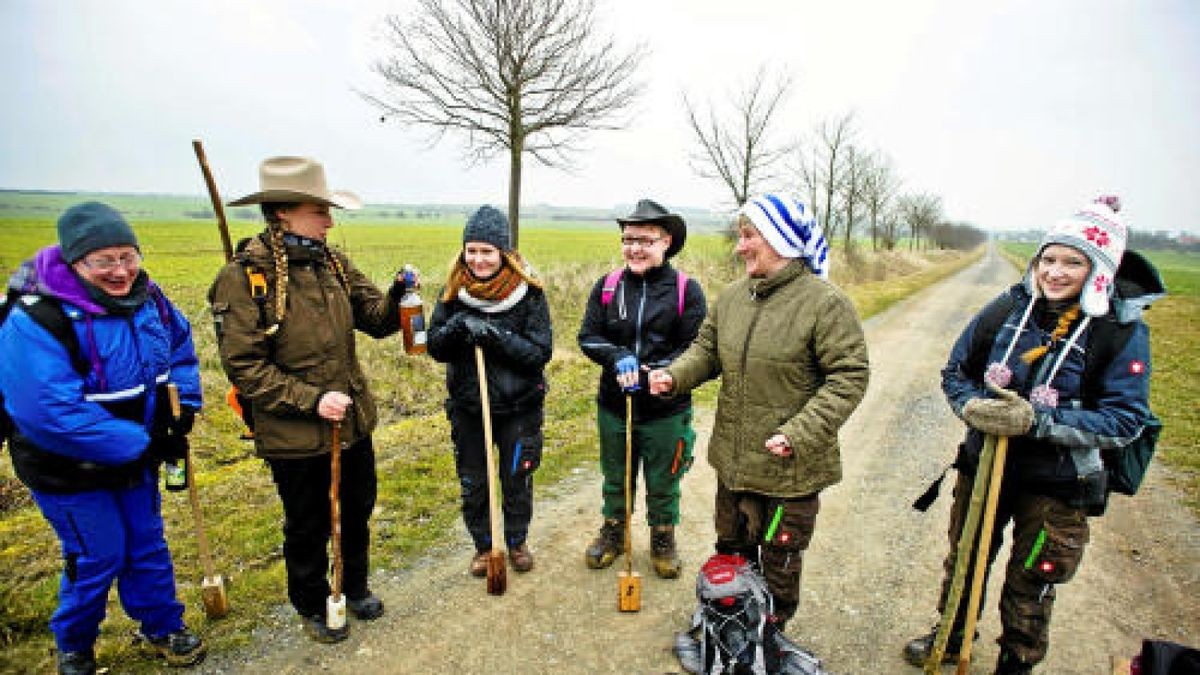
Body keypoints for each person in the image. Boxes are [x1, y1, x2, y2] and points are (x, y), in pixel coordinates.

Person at [902, 195, 1163, 674]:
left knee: (1034, 576)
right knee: (966, 557)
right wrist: (973, 407)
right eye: (1049, 259)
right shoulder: (1007, 307)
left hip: (1060, 485)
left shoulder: (1120, 331)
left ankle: (1016, 660)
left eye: (1073, 263)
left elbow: (1125, 420)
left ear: (1099, 270)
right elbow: (956, 371)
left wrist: (1037, 422)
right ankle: (952, 634)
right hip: (984, 467)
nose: (1055, 272)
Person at [0, 202, 206, 674]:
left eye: (127, 256)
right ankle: (74, 644)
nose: (121, 271)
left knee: (146, 544)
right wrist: (140, 443)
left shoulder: (149, 298)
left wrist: (183, 408)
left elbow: (180, 350)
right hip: (67, 468)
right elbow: (49, 412)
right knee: (98, 554)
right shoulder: (37, 317)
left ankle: (161, 626)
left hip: (135, 455)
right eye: (104, 260)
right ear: (75, 262)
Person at [648, 193, 870, 630]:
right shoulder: (733, 297)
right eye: (740, 235)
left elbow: (849, 377)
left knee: (779, 562)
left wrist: (799, 433)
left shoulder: (825, 304)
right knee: (731, 550)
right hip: (735, 460)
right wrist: (674, 376)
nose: (739, 245)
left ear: (781, 239)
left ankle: (769, 635)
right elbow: (707, 351)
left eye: (749, 236)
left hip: (790, 469)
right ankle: (729, 623)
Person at [208, 156, 405, 643]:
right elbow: (245, 367)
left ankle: (353, 587)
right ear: (283, 213)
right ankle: (313, 602)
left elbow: (377, 320)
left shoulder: (332, 263)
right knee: (307, 520)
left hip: (351, 423)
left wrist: (400, 293)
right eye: (320, 211)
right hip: (293, 432)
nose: (330, 221)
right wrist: (312, 400)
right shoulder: (245, 277)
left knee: (357, 507)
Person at [577, 199, 707, 578]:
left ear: (666, 241)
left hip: (666, 410)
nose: (634, 248)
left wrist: (664, 371)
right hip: (615, 406)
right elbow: (588, 336)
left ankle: (663, 537)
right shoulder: (608, 287)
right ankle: (614, 532)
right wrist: (617, 357)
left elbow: (697, 348)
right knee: (616, 475)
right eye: (628, 239)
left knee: (663, 478)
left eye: (644, 240)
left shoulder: (687, 291)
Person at [426, 205, 552, 575]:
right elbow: (434, 346)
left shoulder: (529, 294)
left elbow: (539, 353)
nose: (478, 259)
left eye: (487, 251)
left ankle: (516, 541)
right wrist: (459, 327)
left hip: (519, 408)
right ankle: (484, 546)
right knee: (474, 483)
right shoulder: (453, 294)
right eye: (472, 250)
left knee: (516, 478)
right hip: (469, 407)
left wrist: (495, 336)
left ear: (504, 254)